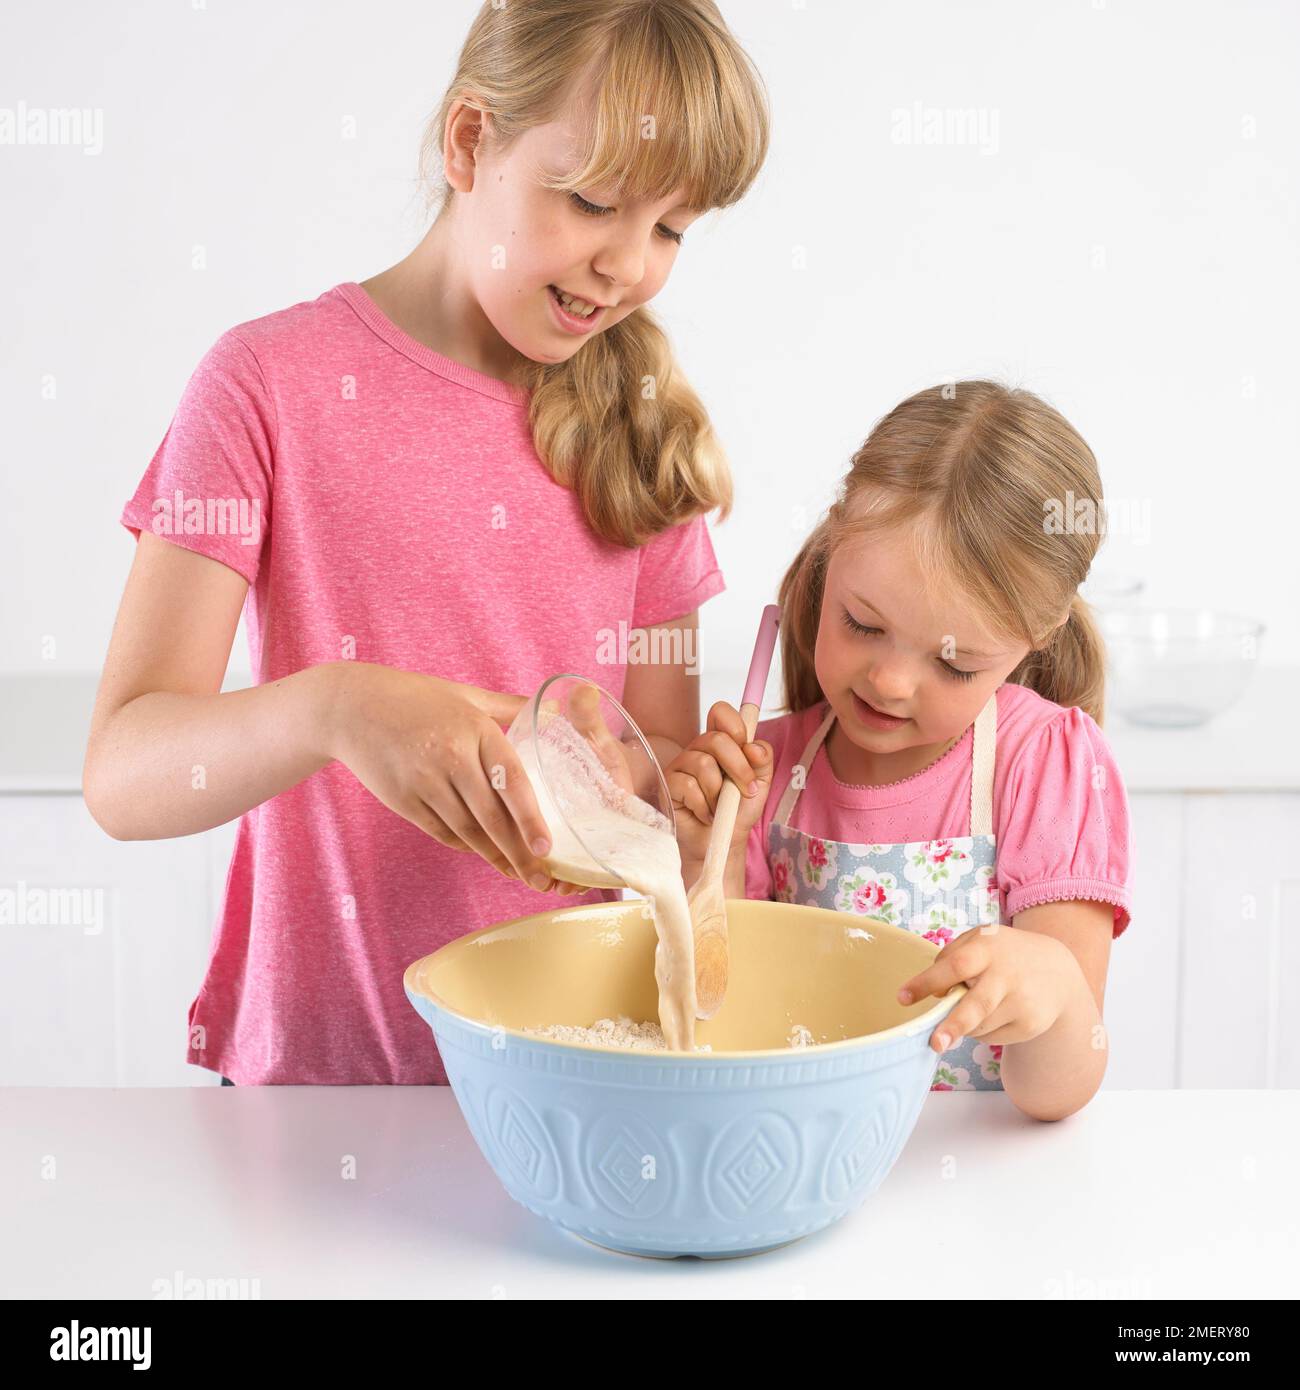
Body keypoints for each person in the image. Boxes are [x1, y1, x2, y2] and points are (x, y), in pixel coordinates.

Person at [83, 0, 770, 1086]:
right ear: (467, 143)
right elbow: (123, 772)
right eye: (593, 201)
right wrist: (336, 705)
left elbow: (654, 804)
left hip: (573, 1081)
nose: (628, 266)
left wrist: (700, 811)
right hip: (322, 1094)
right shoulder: (266, 389)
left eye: (672, 229)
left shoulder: (650, 437)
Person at [668, 381, 1134, 1118]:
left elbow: (1059, 1092)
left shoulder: (1043, 763)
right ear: (831, 550)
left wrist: (1053, 988)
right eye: (860, 623)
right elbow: (718, 1029)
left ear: (1034, 639)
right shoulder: (768, 769)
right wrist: (711, 858)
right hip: (799, 1156)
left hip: (968, 1186)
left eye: (953, 664)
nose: (888, 681)